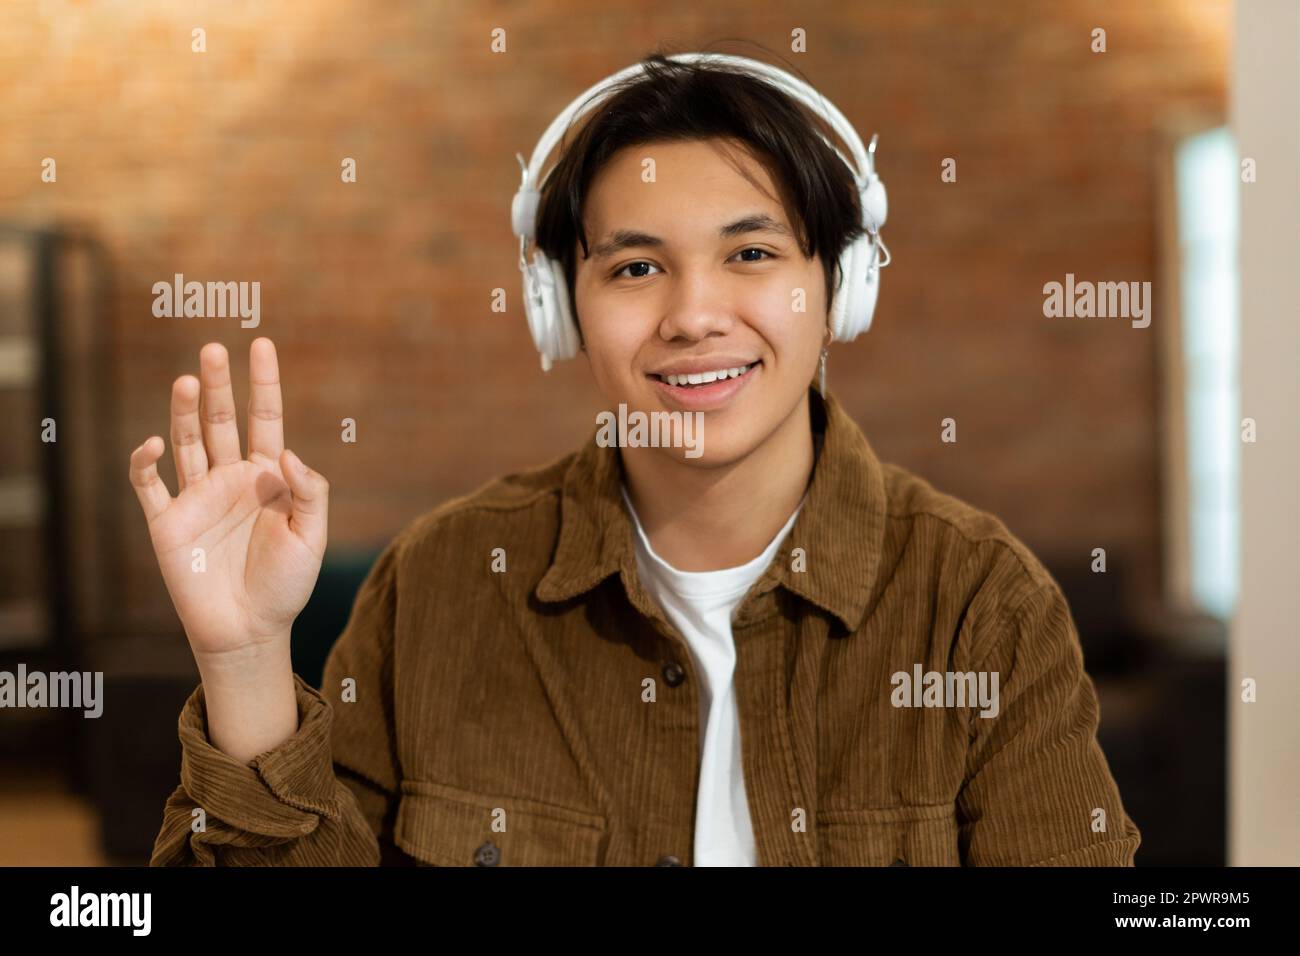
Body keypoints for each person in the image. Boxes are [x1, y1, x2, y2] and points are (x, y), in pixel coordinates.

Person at [129, 51, 1140, 866]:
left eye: (751, 253)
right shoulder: (440, 581)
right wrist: (247, 659)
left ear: (838, 289)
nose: (694, 315)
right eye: (637, 266)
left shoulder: (980, 604)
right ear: (563, 309)